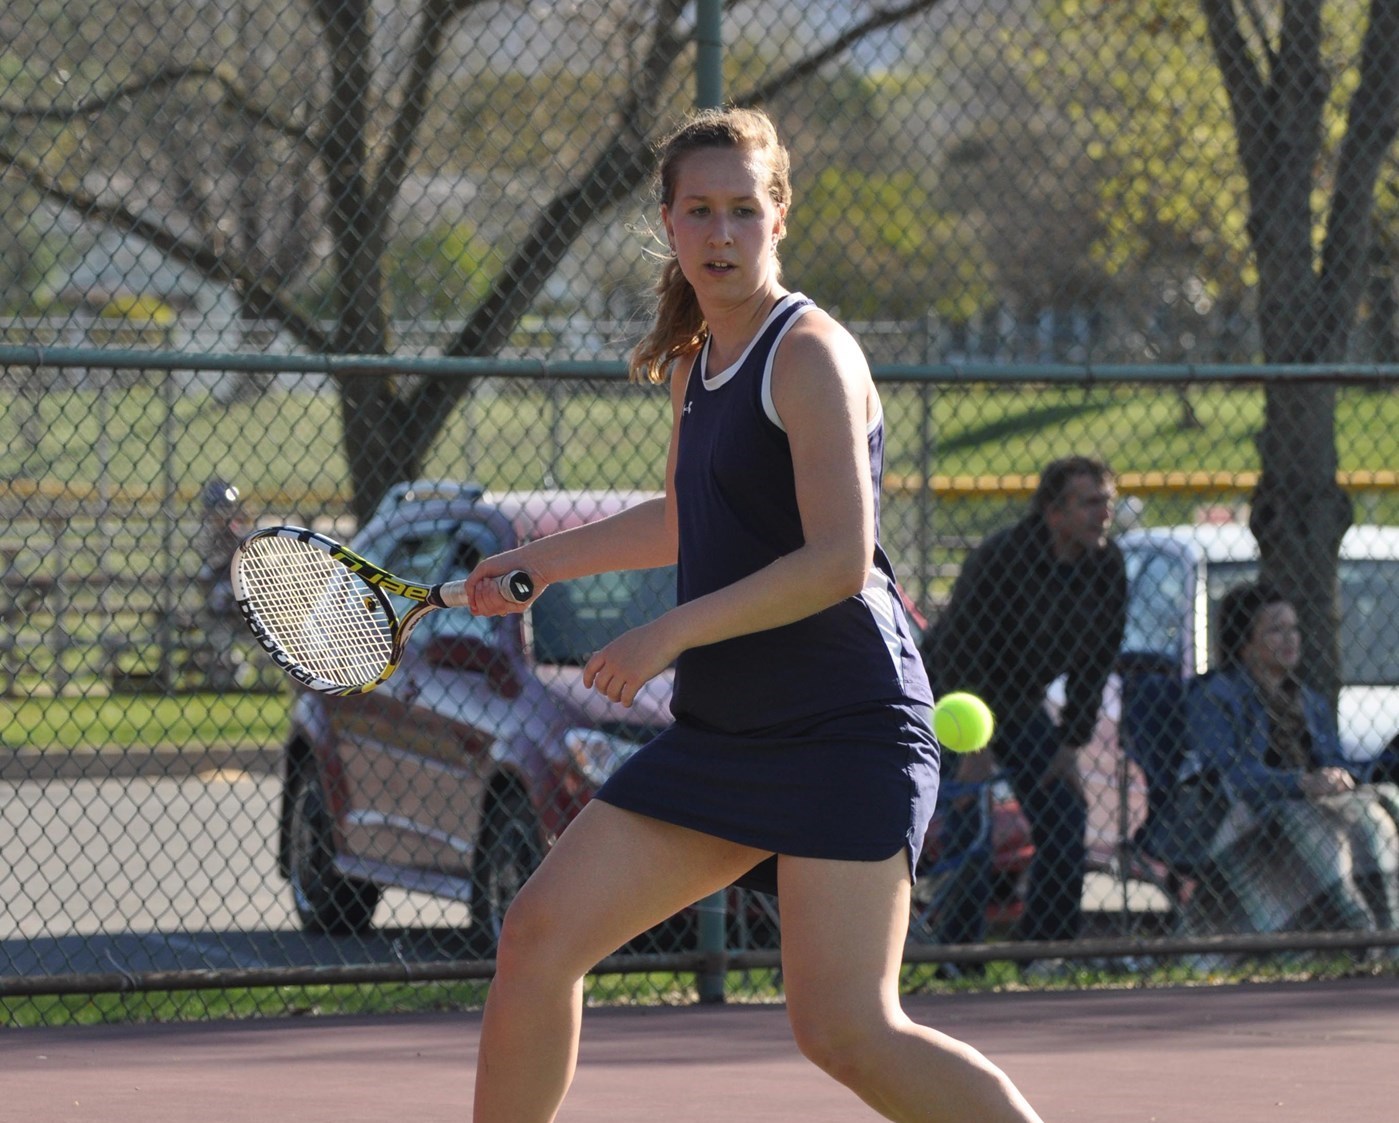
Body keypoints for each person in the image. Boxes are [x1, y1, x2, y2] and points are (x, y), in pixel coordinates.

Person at [462, 107, 1044, 1122]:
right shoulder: (697, 363)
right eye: (699, 211)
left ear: (778, 218)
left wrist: (667, 631)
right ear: (669, 225)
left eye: (742, 209)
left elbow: (834, 560)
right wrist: (538, 563)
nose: (720, 232)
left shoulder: (811, 352)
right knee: (538, 938)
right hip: (727, 734)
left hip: (844, 728)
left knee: (845, 1028)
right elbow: (694, 512)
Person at [921, 457, 1127, 951]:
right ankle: (958, 954)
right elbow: (962, 652)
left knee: (1064, 810)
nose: (1104, 514)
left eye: (1108, 503)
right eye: (1090, 503)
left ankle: (1045, 950)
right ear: (1054, 513)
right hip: (953, 698)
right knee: (971, 820)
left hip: (1019, 705)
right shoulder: (1001, 558)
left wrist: (1071, 743)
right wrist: (973, 750)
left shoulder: (1106, 566)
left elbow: (1095, 663)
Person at [1179, 581, 1399, 942]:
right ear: (1244, 643)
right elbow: (1228, 776)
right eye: (1275, 631)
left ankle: (1384, 932)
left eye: (1293, 629)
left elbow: (1331, 762)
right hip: (1245, 817)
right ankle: (1358, 932)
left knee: (1380, 807)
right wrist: (1300, 783)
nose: (1290, 639)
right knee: (1334, 830)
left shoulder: (1307, 701)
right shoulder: (1216, 696)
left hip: (1311, 812)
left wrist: (1339, 777)